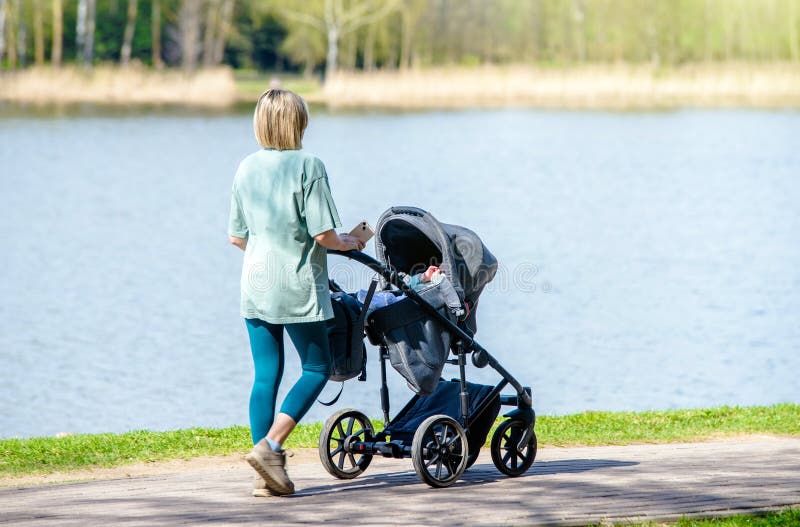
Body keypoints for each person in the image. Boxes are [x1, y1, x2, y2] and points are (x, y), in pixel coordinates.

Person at [227, 88, 365, 497]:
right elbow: (324, 235)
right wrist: (350, 242)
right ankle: (270, 447)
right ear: (297, 122)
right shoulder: (309, 165)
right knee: (318, 368)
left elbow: (237, 238)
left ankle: (263, 476)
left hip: (256, 282)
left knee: (265, 374)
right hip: (297, 285)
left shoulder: (246, 167)